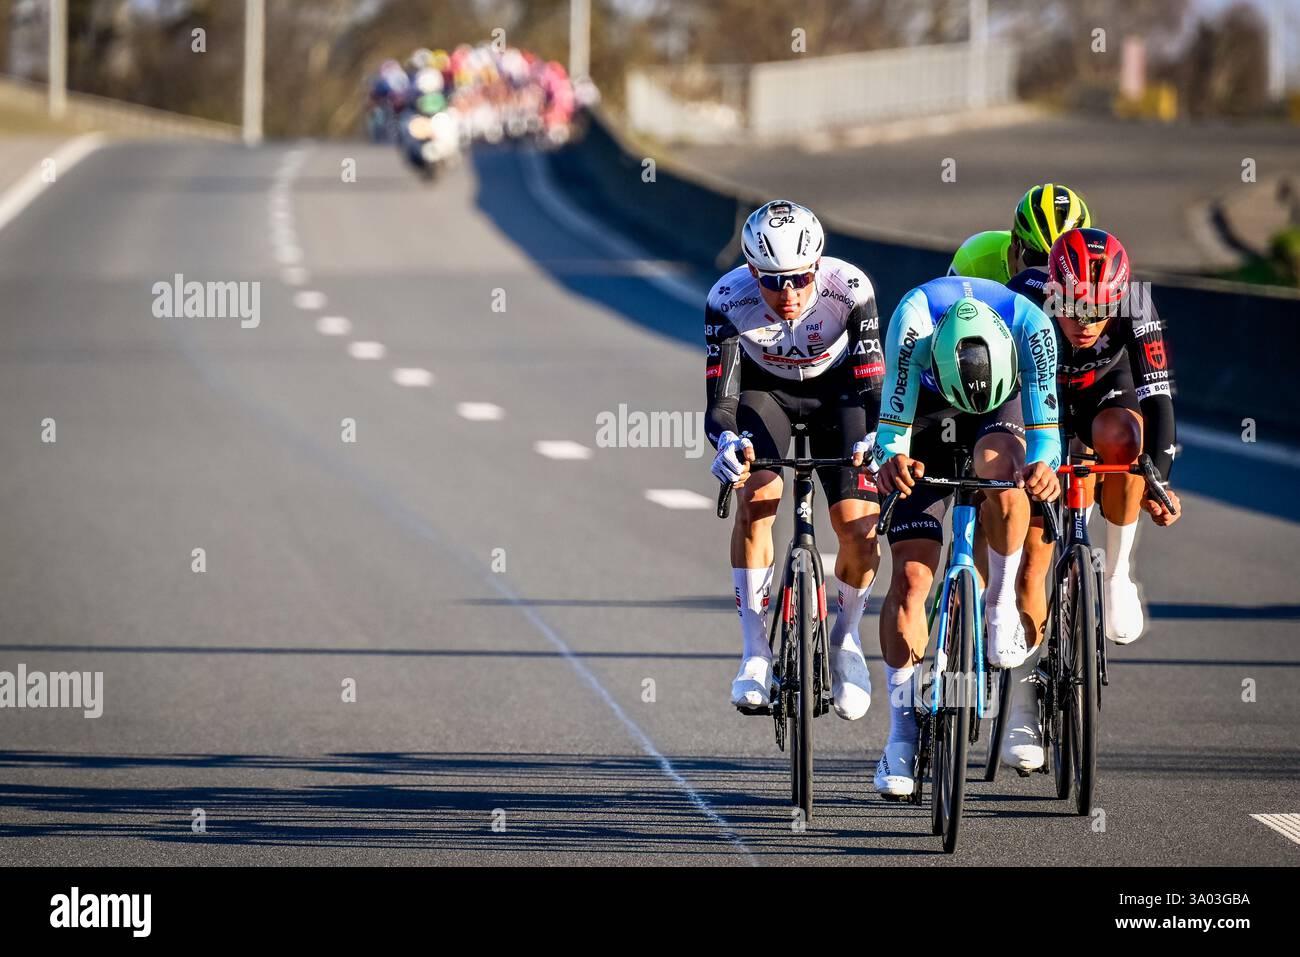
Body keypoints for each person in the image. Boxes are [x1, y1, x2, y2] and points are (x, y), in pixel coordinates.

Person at [863, 277, 1061, 797]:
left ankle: (997, 604)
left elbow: (1047, 433)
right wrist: (892, 461)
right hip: (925, 411)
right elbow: (891, 428)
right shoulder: (914, 322)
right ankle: (901, 738)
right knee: (909, 579)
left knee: (1007, 472)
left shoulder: (1031, 326)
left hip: (1002, 408)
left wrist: (1044, 467)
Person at [705, 201, 884, 720]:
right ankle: (755, 651)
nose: (789, 294)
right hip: (768, 396)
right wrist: (725, 443)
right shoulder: (727, 299)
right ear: (751, 272)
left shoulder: (850, 289)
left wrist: (873, 439)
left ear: (818, 267)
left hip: (841, 396)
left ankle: (846, 638)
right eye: (773, 281)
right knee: (758, 494)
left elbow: (871, 387)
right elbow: (722, 400)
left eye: (801, 279)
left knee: (856, 522)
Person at [1008, 227, 1181, 671]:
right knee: (1031, 562)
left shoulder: (1136, 302)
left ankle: (1119, 572)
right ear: (1051, 290)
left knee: (1127, 438)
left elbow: (1157, 396)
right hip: (1039, 399)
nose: (1085, 322)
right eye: (1072, 307)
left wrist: (1159, 481)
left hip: (1102, 392)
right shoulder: (1021, 296)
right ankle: (1023, 704)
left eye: (1100, 310)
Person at [949, 183, 1091, 285]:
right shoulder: (975, 257)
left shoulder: (1099, 269)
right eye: (1039, 259)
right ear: (1015, 242)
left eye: (1065, 262)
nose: (1049, 273)